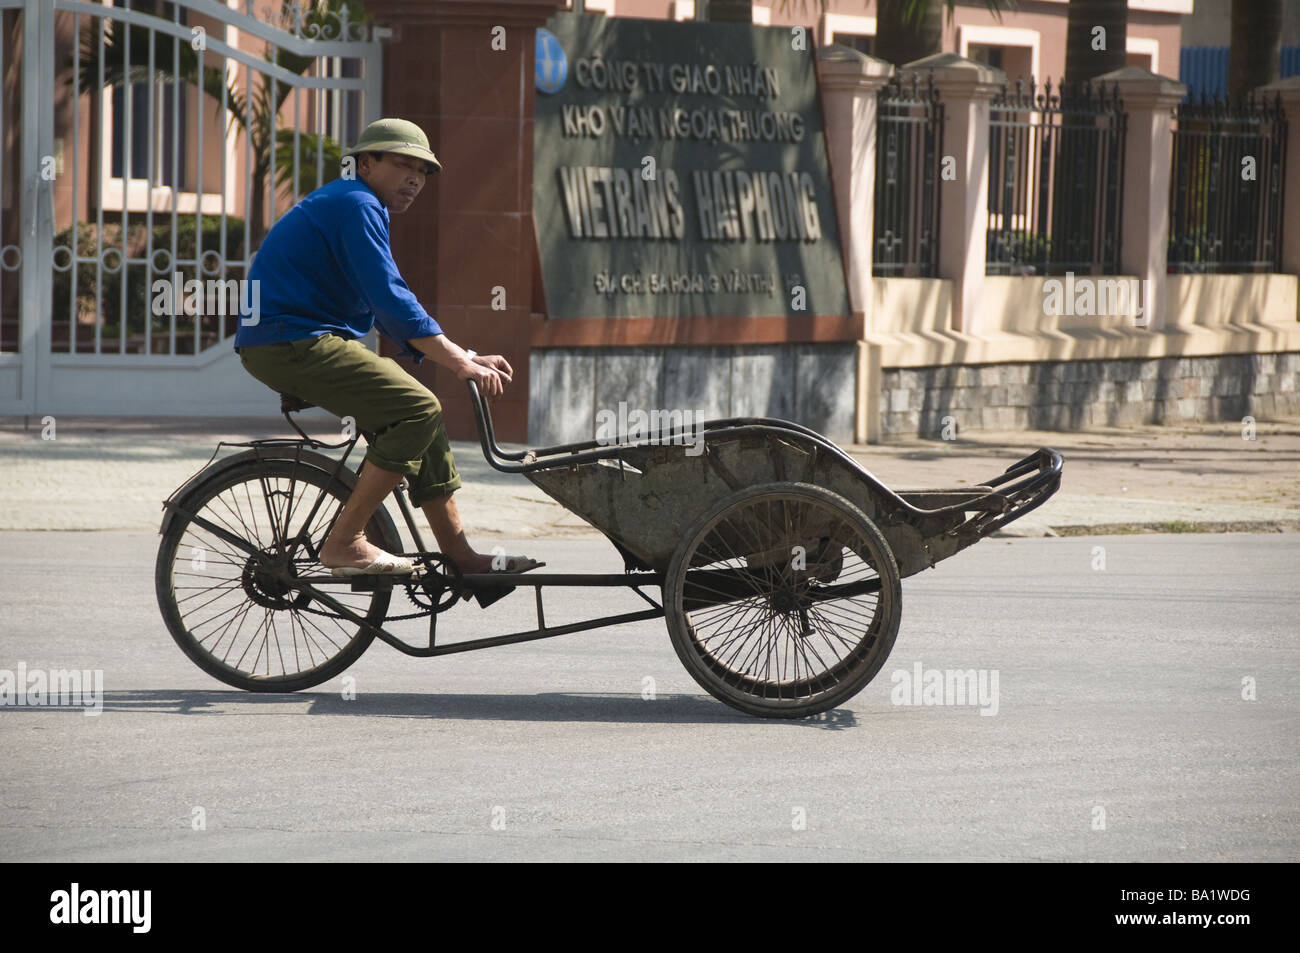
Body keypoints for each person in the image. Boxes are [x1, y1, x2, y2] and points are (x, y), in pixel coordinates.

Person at [233, 117, 539, 577]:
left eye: (423, 171)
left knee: (424, 422)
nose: (415, 179)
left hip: (298, 338)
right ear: (366, 163)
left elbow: (382, 302)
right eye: (403, 165)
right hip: (290, 339)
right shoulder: (356, 203)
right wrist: (457, 361)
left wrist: (463, 355)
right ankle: (345, 541)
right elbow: (390, 297)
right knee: (418, 406)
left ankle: (462, 559)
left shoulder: (352, 202)